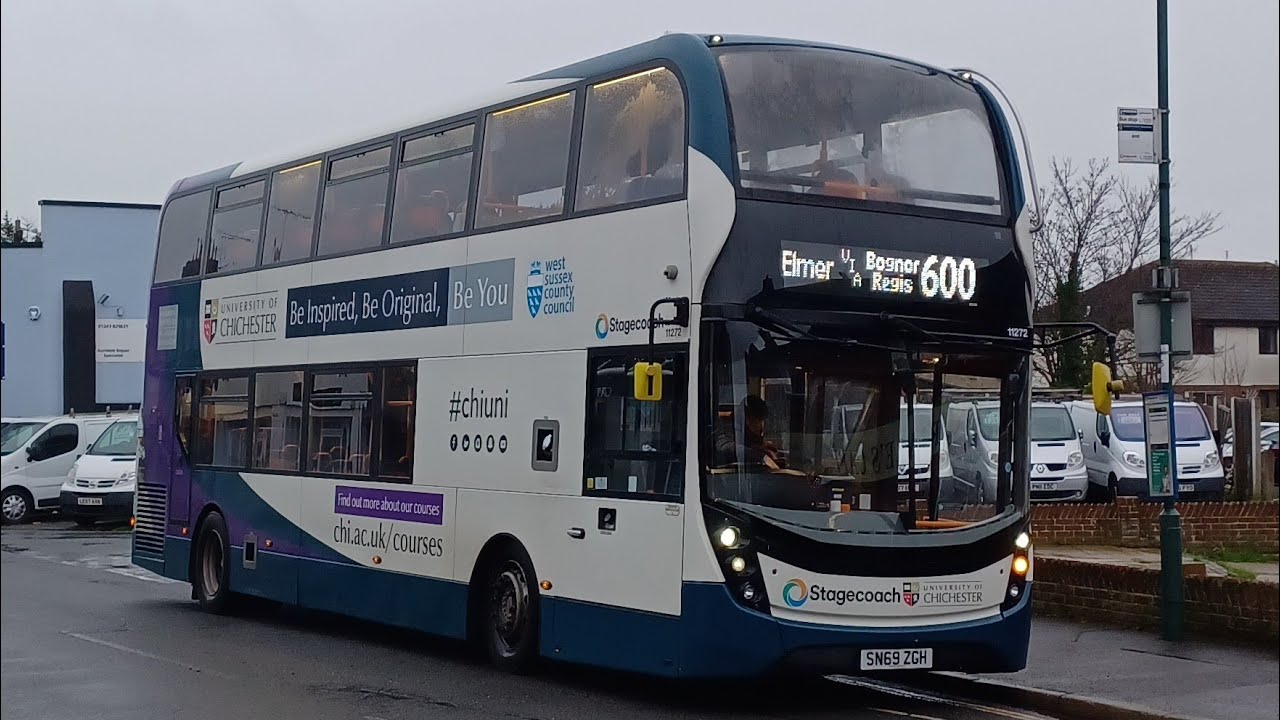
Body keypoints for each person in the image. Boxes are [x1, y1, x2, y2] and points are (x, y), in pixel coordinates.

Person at [713, 395, 781, 470]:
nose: (761, 426)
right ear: (749, 419)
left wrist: (758, 448)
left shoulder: (746, 433)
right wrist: (762, 457)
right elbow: (724, 447)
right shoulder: (728, 427)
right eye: (759, 420)